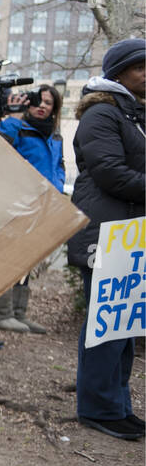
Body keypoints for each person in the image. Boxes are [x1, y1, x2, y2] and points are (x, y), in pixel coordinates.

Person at [67, 38, 145, 441]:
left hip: (129, 235)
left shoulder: (133, 115)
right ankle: (97, 407)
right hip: (105, 235)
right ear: (119, 74)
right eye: (141, 68)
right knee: (105, 324)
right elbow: (111, 173)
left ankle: (117, 404)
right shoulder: (102, 113)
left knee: (124, 323)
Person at [0, 84, 65, 335]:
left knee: (29, 261)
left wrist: (57, 187)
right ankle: (4, 314)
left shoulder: (55, 136)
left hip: (46, 206)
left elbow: (59, 165)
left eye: (49, 103)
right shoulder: (16, 128)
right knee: (11, 259)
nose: (42, 106)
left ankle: (20, 313)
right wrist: (12, 118)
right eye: (38, 101)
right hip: (17, 205)